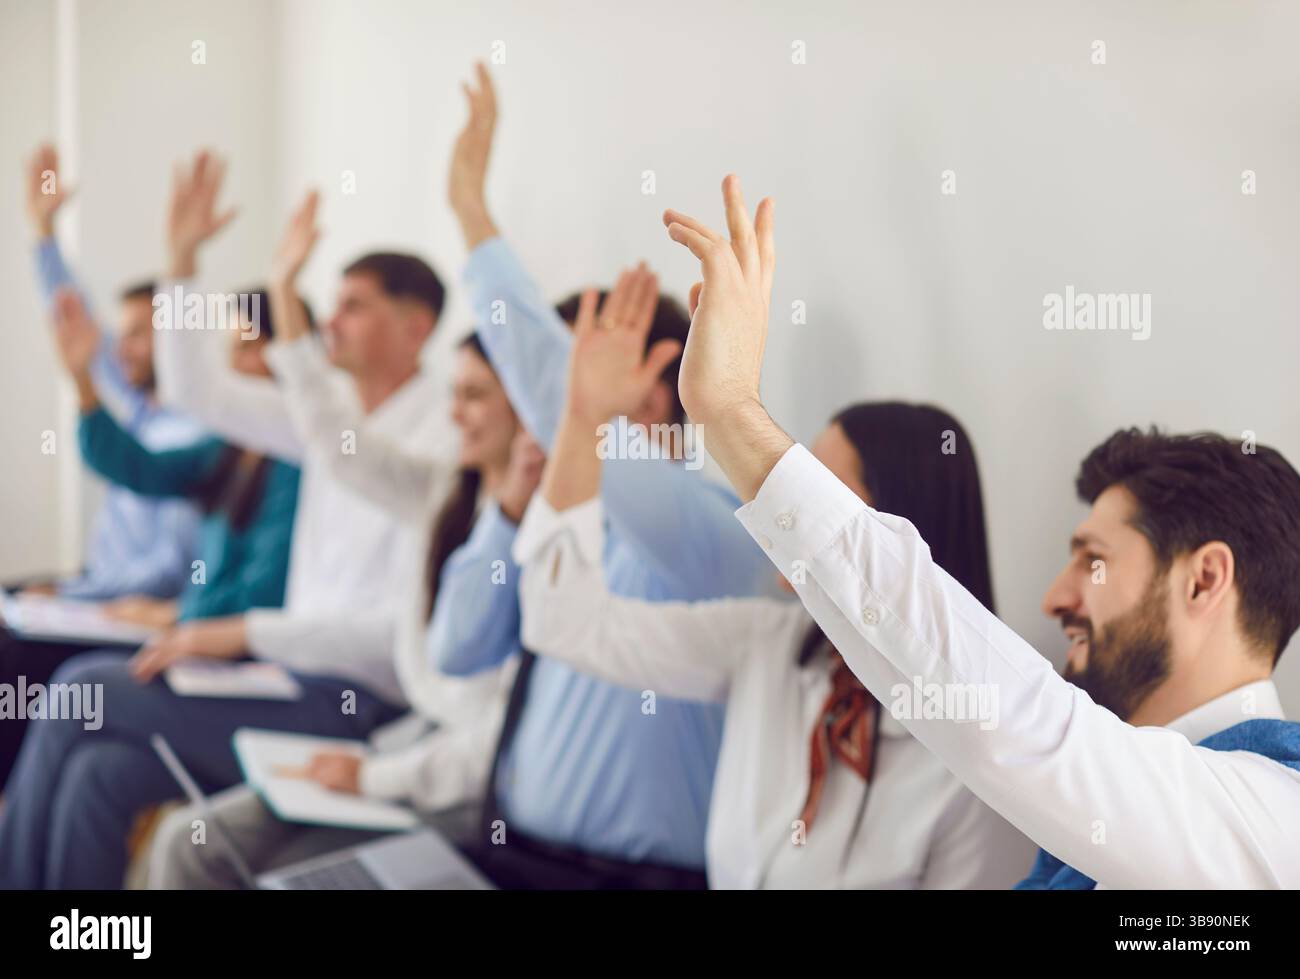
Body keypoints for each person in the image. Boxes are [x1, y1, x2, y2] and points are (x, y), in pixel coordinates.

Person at [658, 173, 1300, 888]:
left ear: (1205, 578)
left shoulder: (1276, 815)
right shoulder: (1115, 818)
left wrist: (731, 414)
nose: (1055, 596)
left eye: (1092, 559)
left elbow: (1024, 724)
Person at [511, 268, 1032, 887]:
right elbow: (562, 622)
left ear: (900, 529)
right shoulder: (770, 646)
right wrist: (583, 418)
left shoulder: (980, 743)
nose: (784, 505)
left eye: (819, 490)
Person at [439, 64, 774, 887]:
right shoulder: (557, 511)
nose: (544, 416)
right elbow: (455, 648)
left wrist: (472, 214)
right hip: (510, 853)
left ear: (651, 389)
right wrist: (512, 512)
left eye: (566, 390)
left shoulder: (706, 526)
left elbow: (550, 383)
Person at [148, 332, 531, 888]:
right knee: (187, 841)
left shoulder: (543, 540)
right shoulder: (446, 494)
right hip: (402, 744)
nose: (455, 414)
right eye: (454, 393)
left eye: (474, 396)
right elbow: (337, 445)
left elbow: (489, 743)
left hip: (444, 784)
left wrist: (372, 776)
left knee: (273, 872)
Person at [1, 147, 203, 779]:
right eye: (126, 334)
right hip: (95, 588)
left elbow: (167, 572)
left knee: (13, 655)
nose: (125, 348)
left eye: (144, 333)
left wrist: (74, 593)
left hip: (129, 609)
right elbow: (75, 320)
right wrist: (43, 233)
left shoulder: (193, 434)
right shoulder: (139, 409)